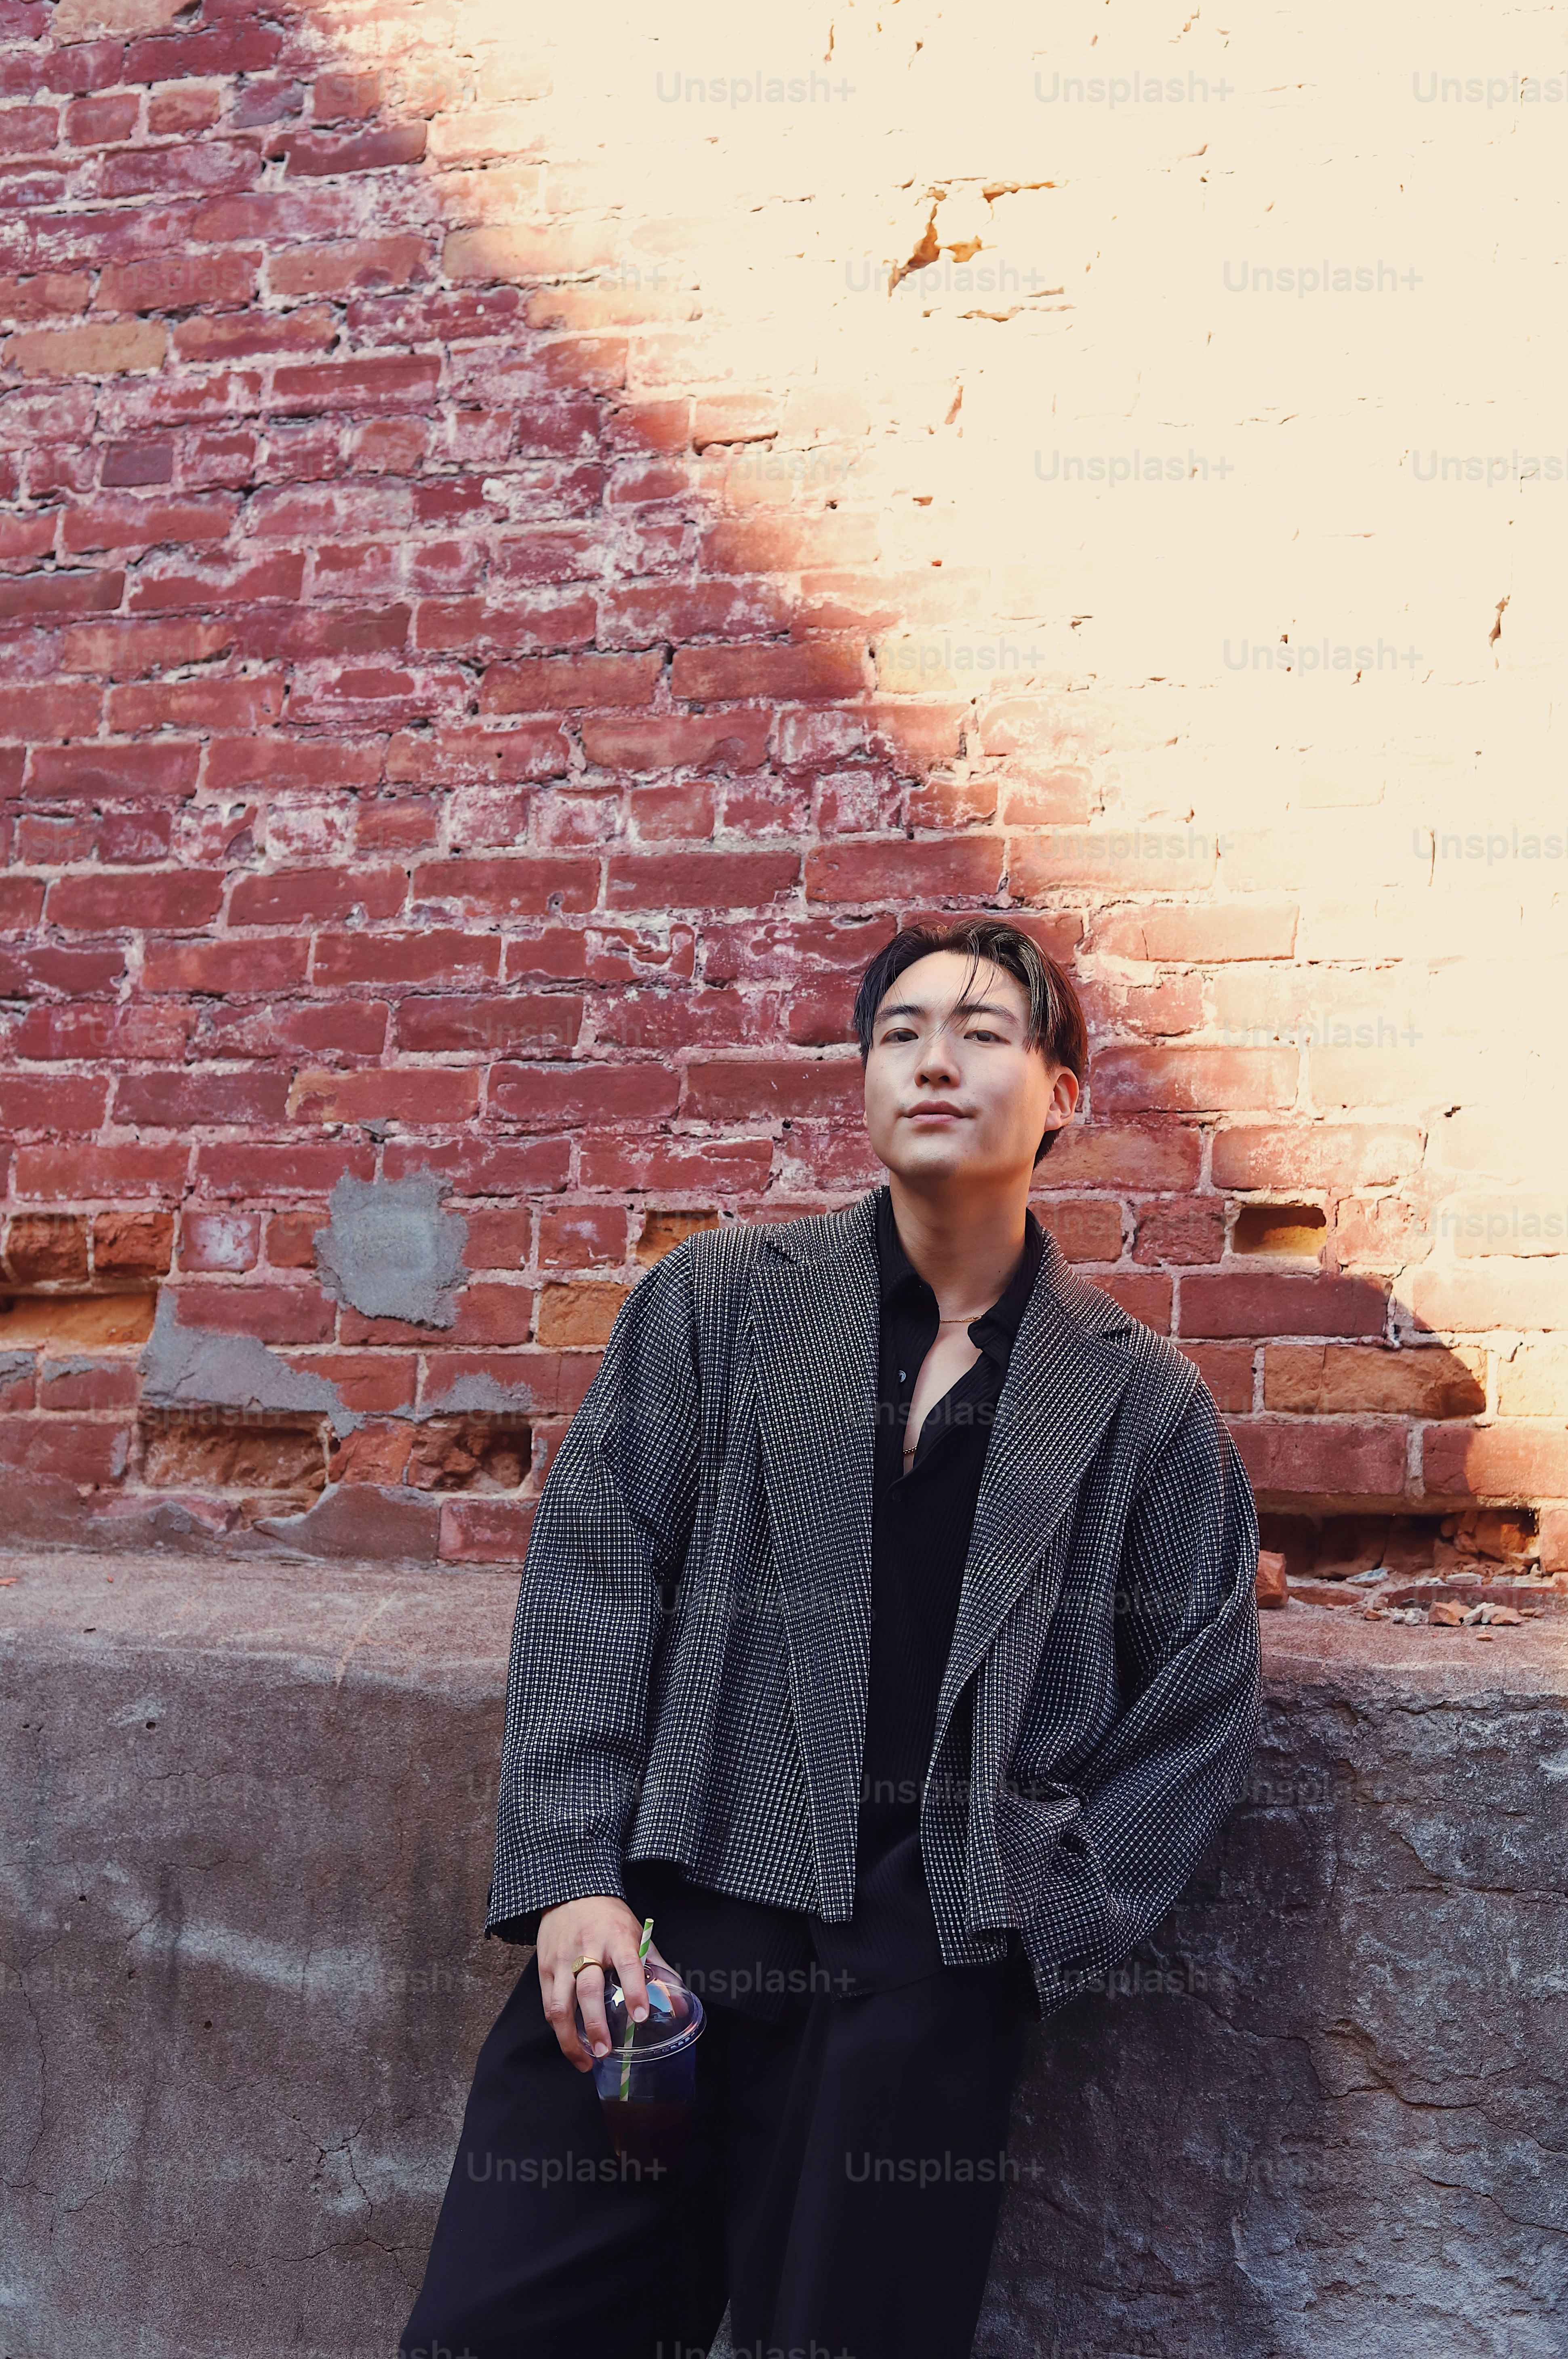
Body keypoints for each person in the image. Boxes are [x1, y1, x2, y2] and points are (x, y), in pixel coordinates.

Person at [400, 917, 1261, 2359]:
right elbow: (593, 1582)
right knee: (493, 2328)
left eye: (986, 1035)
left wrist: (1021, 1926)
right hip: (655, 1949)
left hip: (917, 1996)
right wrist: (569, 1880)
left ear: (1065, 1094)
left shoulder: (1140, 1405)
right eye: (900, 1034)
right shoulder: (718, 1306)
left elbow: (1199, 1706)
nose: (935, 1063)